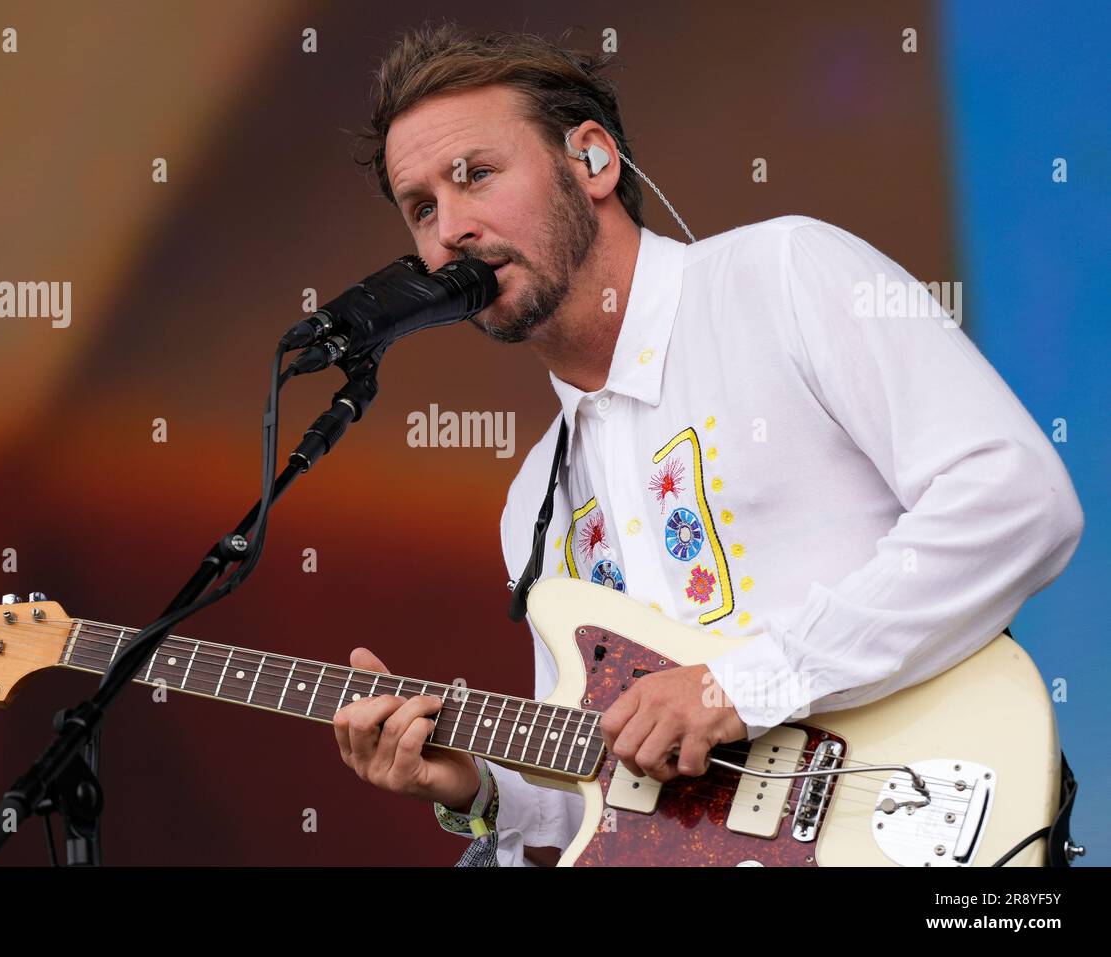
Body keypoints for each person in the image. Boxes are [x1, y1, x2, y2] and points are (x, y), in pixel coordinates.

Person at [330, 23, 1084, 866]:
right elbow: (608, 775)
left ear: (593, 162)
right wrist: (479, 787)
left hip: (929, 813)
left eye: (475, 175)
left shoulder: (784, 276)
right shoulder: (533, 498)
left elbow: (1019, 499)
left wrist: (742, 686)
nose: (448, 231)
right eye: (422, 207)